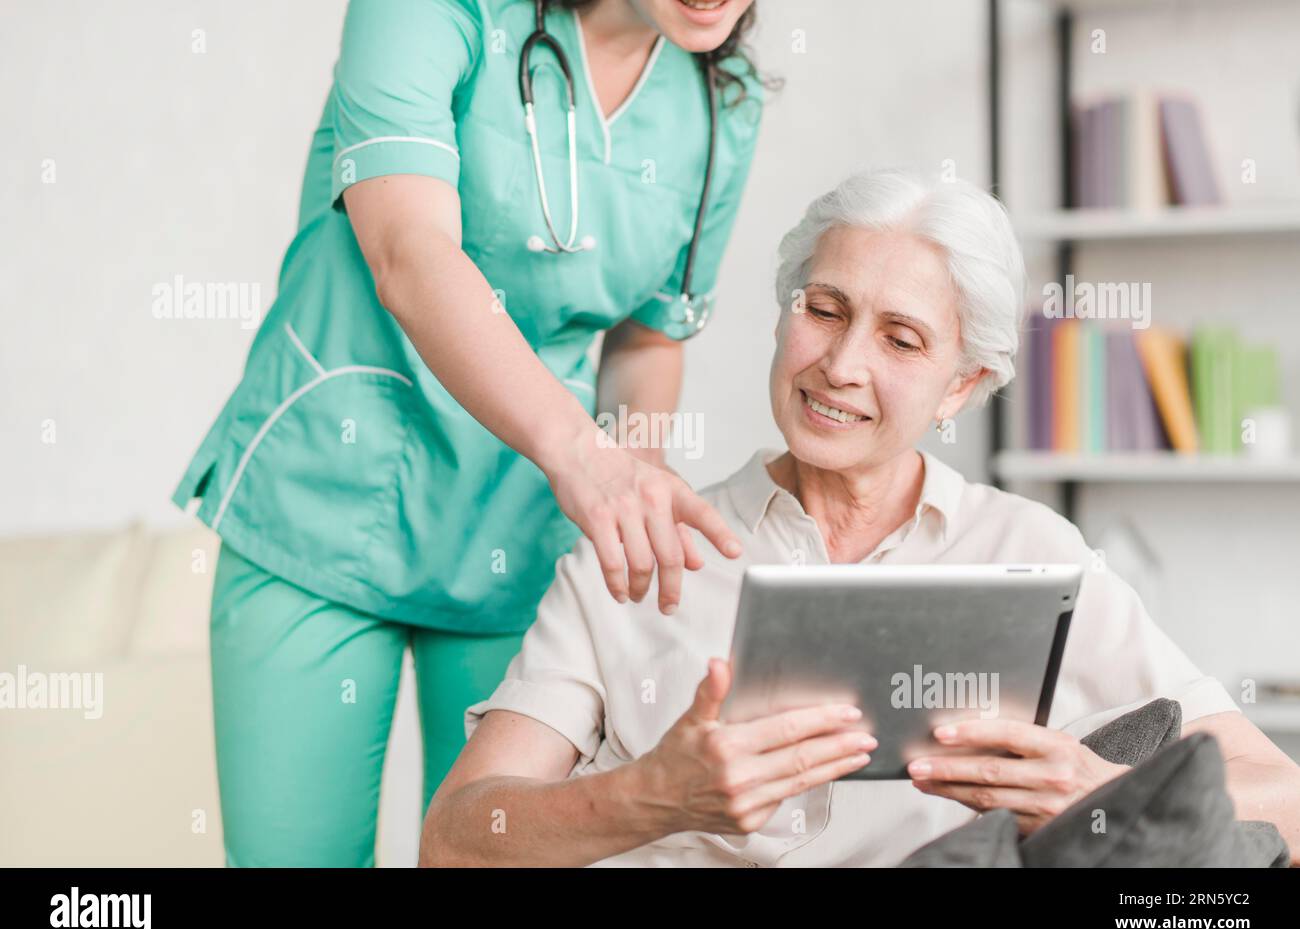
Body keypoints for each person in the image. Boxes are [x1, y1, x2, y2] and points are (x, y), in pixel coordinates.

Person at [419, 168, 1300, 867]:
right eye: (824, 310)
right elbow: (453, 842)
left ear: (964, 383)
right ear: (782, 317)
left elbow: (1281, 797)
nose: (840, 364)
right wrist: (654, 794)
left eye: (901, 339)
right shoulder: (645, 548)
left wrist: (1095, 787)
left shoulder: (1030, 551)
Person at [171, 0, 768, 866]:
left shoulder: (724, 98)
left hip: (524, 533)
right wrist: (582, 457)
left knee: (493, 854)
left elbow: (648, 335)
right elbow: (409, 253)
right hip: (325, 500)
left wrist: (630, 506)